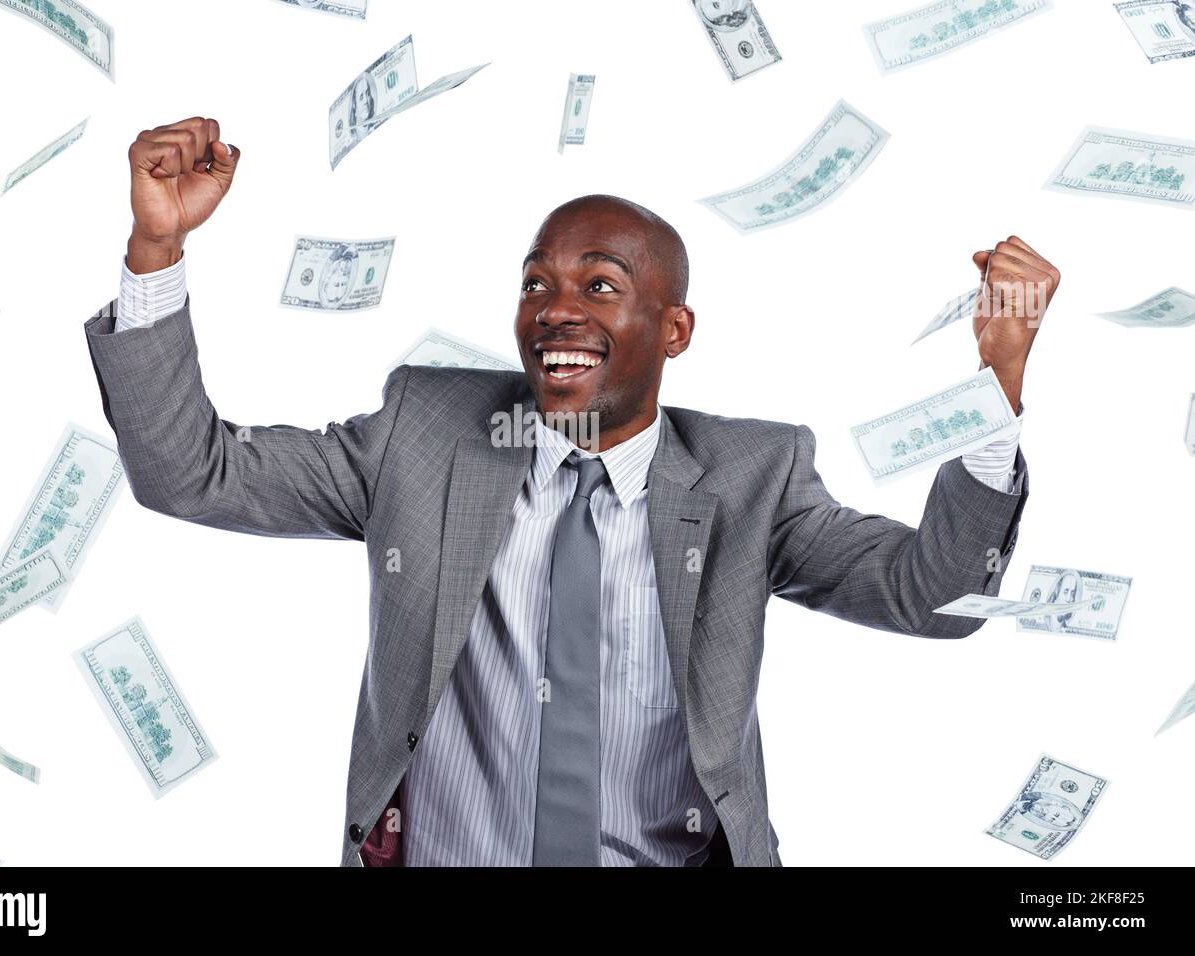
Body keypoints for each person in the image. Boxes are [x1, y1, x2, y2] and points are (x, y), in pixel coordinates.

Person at [86, 116, 1057, 867]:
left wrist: (995, 382)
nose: (556, 307)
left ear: (672, 329)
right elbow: (189, 472)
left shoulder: (749, 479)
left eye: (599, 285)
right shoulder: (421, 437)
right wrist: (155, 249)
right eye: (537, 283)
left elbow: (928, 598)